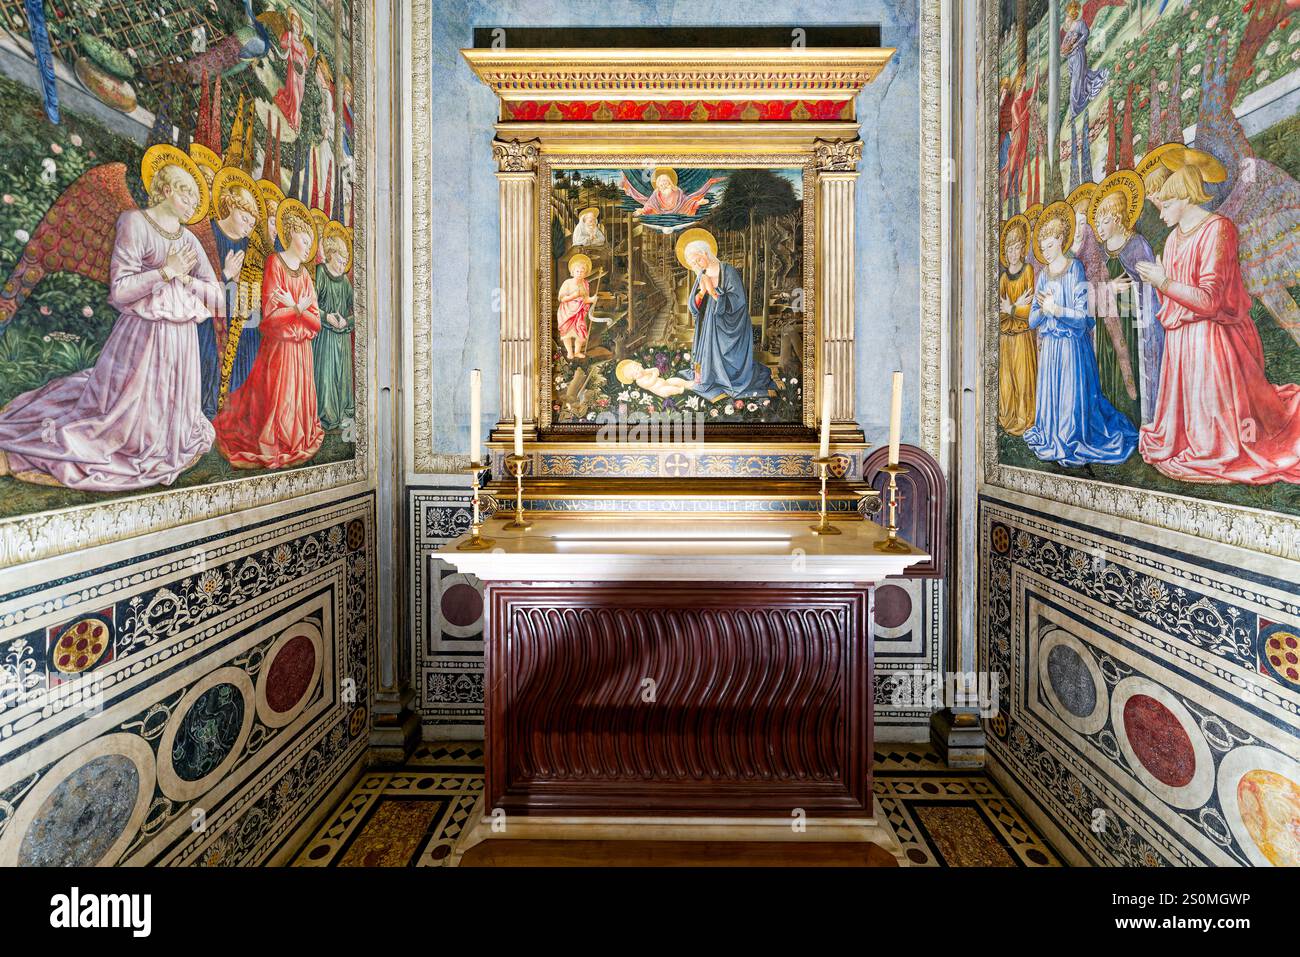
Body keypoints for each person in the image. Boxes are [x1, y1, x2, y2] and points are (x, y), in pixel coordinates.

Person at [0, 147, 220, 488]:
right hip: (141, 338)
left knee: (167, 419)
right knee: (116, 423)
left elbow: (217, 296)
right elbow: (120, 291)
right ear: (164, 189)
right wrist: (166, 272)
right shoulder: (134, 222)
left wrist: (187, 278)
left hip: (181, 342)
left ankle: (158, 437)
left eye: (195, 196)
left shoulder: (190, 239)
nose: (193, 202)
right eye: (186, 192)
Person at [1135, 148, 1300, 484]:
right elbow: (1173, 300)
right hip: (1182, 344)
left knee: (1221, 434)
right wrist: (1160, 284)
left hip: (1214, 342)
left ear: (1183, 196)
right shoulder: (1171, 240)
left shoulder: (1218, 230)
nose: (1159, 211)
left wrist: (1163, 281)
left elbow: (1210, 300)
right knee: (1191, 428)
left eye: (1165, 203)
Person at [1022, 202, 1138, 466]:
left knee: (1072, 411)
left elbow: (1082, 318)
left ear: (1061, 240)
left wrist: (1055, 308)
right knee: (1053, 411)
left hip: (1072, 350)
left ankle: (1069, 438)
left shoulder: (1075, 269)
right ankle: (1053, 435)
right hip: (1051, 349)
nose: (1046, 252)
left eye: (1050, 246)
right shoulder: (1043, 277)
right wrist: (1045, 311)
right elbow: (1032, 320)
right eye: (1042, 248)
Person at [213, 200, 324, 469]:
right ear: (290, 235)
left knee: (297, 403)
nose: (309, 244)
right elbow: (272, 316)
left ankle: (296, 437)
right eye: (305, 237)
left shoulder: (306, 276)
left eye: (311, 239)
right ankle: (277, 438)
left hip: (301, 350)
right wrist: (301, 311)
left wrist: (295, 307)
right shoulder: (275, 262)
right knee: (278, 401)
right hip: (281, 348)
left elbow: (316, 321)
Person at [1090, 171, 1164, 426]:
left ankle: (1134, 419)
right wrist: (1107, 289)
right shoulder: (1100, 253)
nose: (1100, 227)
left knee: (1131, 368)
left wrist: (1132, 288)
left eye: (1105, 220)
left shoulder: (1137, 245)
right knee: (1107, 370)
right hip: (1106, 325)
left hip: (1133, 324)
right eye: (1097, 222)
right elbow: (1091, 289)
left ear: (1120, 218)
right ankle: (1112, 418)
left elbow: (1150, 286)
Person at [679, 229, 776, 401]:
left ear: (705, 253)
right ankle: (705, 377)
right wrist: (702, 292)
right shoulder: (701, 275)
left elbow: (738, 303)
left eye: (698, 259)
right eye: (694, 262)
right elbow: (694, 307)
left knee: (729, 363)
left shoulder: (727, 271)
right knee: (704, 359)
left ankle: (728, 378)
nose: (698, 264)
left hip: (728, 325)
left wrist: (714, 291)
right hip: (707, 325)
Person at [196, 170, 258, 418]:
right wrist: (225, 273)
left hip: (231, 309)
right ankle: (198, 413)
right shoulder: (208, 233)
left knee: (228, 362)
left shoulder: (244, 245)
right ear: (230, 207)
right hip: (206, 315)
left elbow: (244, 281)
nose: (248, 228)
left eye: (252, 225)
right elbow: (195, 282)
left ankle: (212, 412)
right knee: (206, 358)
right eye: (245, 219)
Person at [312, 226, 355, 432]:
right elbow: (310, 305)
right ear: (329, 255)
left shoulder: (345, 281)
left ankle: (342, 417)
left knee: (341, 380)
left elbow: (359, 312)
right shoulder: (320, 272)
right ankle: (326, 417)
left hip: (342, 340)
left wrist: (347, 321)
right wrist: (326, 316)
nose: (343, 265)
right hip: (325, 340)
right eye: (339, 261)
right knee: (326, 380)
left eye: (345, 262)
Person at [998, 216, 1037, 435]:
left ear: (1022, 249)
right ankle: (1008, 415)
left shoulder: (1028, 271)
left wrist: (1011, 308)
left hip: (1022, 337)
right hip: (1006, 337)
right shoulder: (1004, 278)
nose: (1013, 254)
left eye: (1016, 248)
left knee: (1023, 380)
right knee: (1006, 381)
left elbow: (1029, 309)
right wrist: (1013, 308)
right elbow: (999, 313)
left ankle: (1023, 418)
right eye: (1009, 249)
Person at [620, 168, 723, 216]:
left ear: (670, 182)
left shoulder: (677, 191)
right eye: (660, 181)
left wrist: (697, 203)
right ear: (657, 184)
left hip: (677, 211)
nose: (663, 183)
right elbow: (650, 204)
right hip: (661, 212)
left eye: (665, 181)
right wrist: (642, 211)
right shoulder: (656, 193)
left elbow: (685, 202)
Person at [273, 8, 309, 130]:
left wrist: (305, 63)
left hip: (301, 73)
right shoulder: (289, 35)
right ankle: (294, 122)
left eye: (297, 24)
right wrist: (287, 44)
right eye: (293, 23)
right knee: (295, 96)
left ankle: (294, 117)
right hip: (293, 69)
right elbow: (282, 43)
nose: (295, 26)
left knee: (299, 97)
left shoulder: (302, 44)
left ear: (300, 27)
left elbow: (305, 58)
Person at [556, 253, 595, 360]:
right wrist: (574, 296)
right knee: (567, 333)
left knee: (580, 333)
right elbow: (562, 299)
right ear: (573, 272)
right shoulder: (567, 283)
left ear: (585, 273)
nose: (579, 273)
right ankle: (570, 352)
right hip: (567, 312)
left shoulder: (585, 283)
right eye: (577, 271)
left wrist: (592, 299)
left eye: (582, 271)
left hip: (579, 313)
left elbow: (585, 299)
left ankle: (577, 352)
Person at [615, 359, 693, 398]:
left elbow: (653, 369)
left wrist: (655, 370)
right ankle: (680, 390)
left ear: (639, 364)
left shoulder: (645, 371)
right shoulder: (639, 382)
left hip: (665, 382)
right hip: (660, 390)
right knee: (668, 389)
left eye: (637, 368)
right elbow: (650, 383)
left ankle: (687, 383)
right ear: (633, 379)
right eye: (635, 374)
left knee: (673, 380)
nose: (638, 372)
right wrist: (655, 375)